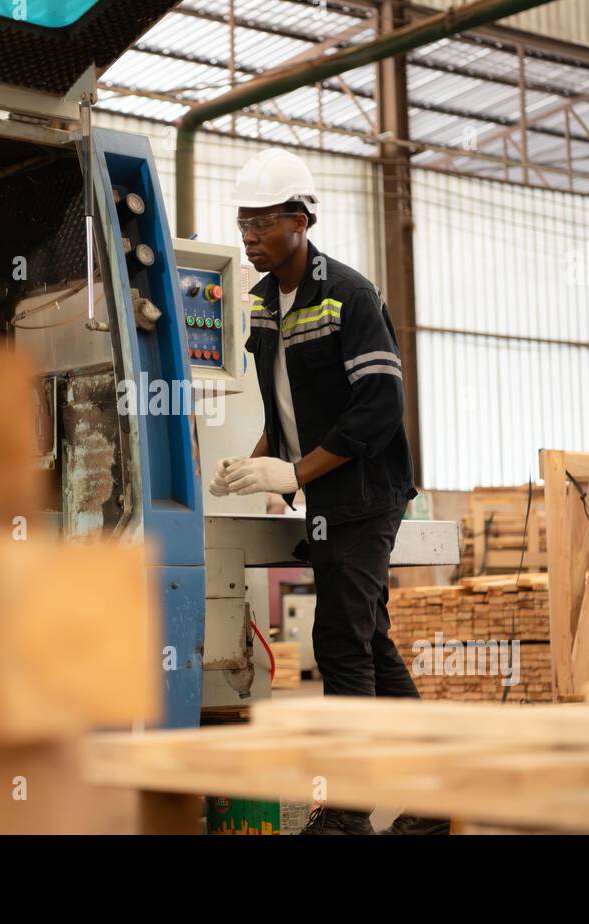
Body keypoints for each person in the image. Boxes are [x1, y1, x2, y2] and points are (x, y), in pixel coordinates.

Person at [209, 148, 447, 836]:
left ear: (299, 219)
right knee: (368, 642)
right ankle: (431, 804)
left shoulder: (350, 294)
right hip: (320, 497)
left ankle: (346, 810)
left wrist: (297, 472)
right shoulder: (257, 305)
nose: (249, 236)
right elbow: (287, 404)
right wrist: (254, 462)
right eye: (242, 223)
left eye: (261, 223)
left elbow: (378, 409)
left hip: (367, 494)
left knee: (341, 639)